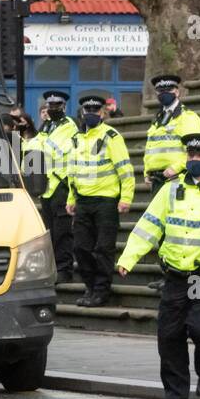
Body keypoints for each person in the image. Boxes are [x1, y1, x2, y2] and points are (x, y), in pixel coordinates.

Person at [117, 134, 200, 399]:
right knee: (169, 335)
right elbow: (148, 226)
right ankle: (176, 395)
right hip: (176, 274)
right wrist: (128, 258)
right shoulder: (171, 189)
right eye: (191, 156)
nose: (194, 161)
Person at [66, 96, 133, 307]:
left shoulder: (111, 136)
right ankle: (90, 286)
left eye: (96, 110)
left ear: (102, 113)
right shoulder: (77, 139)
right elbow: (73, 172)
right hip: (83, 201)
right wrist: (71, 198)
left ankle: (102, 291)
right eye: (88, 110)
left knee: (104, 248)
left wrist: (126, 198)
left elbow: (125, 169)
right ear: (83, 113)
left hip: (106, 201)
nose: (92, 113)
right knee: (81, 248)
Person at [36, 91, 78, 281]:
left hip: (62, 184)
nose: (53, 109)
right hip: (46, 186)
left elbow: (56, 152)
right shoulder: (45, 126)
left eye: (57, 106)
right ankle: (52, 268)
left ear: (64, 107)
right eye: (50, 106)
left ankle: (64, 269)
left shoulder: (69, 126)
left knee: (62, 231)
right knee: (49, 230)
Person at [143, 74, 200, 198]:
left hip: (177, 177)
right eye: (160, 91)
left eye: (169, 90)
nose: (164, 93)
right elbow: (150, 148)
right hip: (157, 179)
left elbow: (195, 150)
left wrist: (175, 168)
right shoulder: (157, 119)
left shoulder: (187, 117)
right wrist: (147, 171)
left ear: (177, 92)